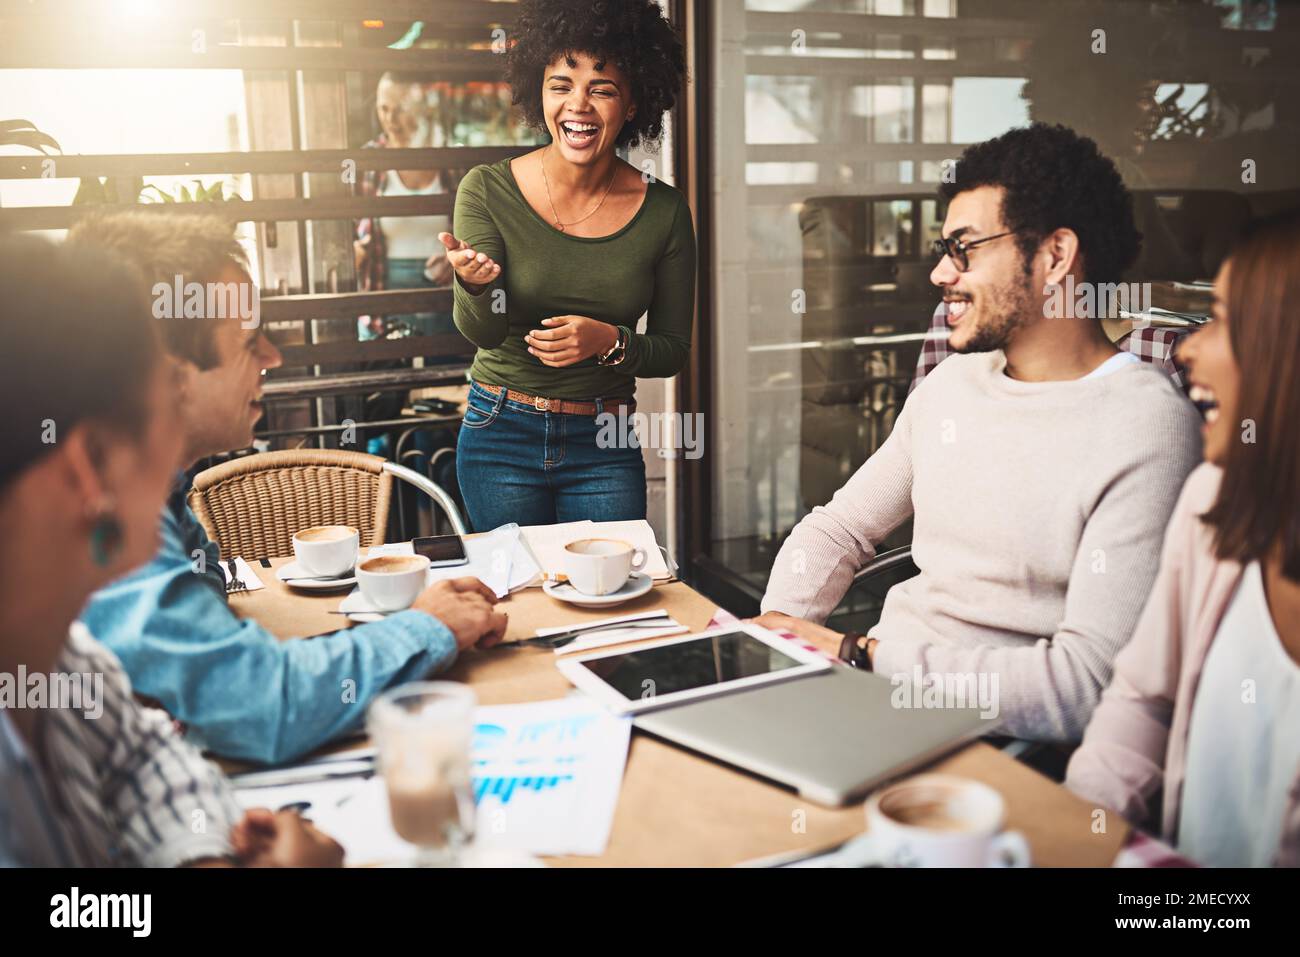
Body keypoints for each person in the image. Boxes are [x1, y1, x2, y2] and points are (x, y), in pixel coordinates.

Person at [756, 123, 1202, 743]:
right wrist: (774, 636)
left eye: (965, 248)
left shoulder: (1148, 426)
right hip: (869, 697)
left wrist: (861, 655)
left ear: (1055, 255)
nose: (941, 273)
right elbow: (840, 528)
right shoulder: (953, 384)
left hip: (988, 738)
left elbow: (1087, 686)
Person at [67, 211, 508, 766]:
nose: (273, 358)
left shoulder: (156, 486)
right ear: (169, 379)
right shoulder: (102, 519)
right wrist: (430, 626)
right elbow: (259, 703)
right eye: (251, 342)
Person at [0, 234, 341, 866]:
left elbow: (144, 758)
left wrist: (202, 857)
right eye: (166, 393)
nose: (181, 414)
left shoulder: (60, 655)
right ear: (89, 468)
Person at [1067, 212, 1300, 867]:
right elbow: (1143, 700)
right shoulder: (1213, 504)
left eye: (1223, 318)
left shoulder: (1147, 422)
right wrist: (1076, 834)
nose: (1186, 347)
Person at [437, 0, 696, 530]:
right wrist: (474, 284)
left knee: (611, 598)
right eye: (560, 85)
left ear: (632, 105)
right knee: (518, 600)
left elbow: (671, 351)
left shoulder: (666, 212)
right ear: (540, 93)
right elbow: (484, 333)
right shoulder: (486, 189)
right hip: (499, 431)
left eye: (602, 89)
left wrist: (609, 342)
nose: (577, 105)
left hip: (605, 438)